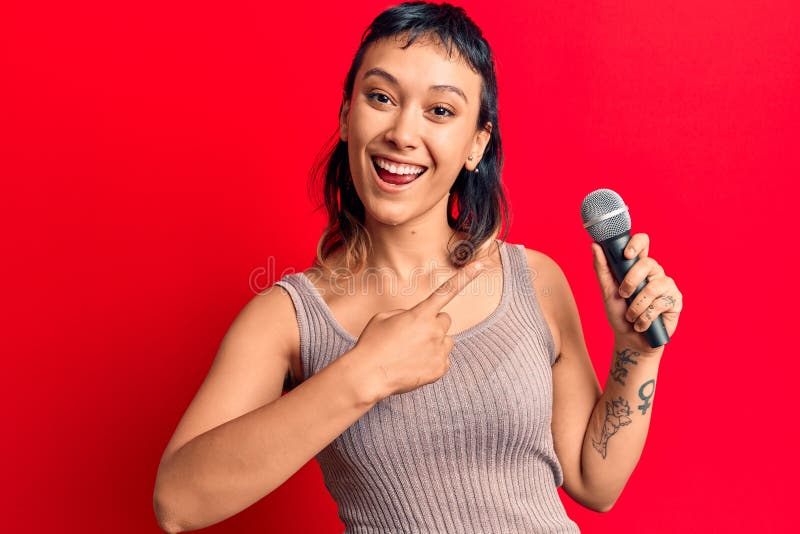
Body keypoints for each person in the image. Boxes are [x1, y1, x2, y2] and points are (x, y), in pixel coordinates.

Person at [153, 2, 683, 533]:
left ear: (477, 144)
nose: (403, 133)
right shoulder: (289, 318)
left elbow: (595, 482)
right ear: (346, 116)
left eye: (441, 111)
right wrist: (367, 372)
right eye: (381, 98)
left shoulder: (535, 280)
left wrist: (636, 354)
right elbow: (177, 503)